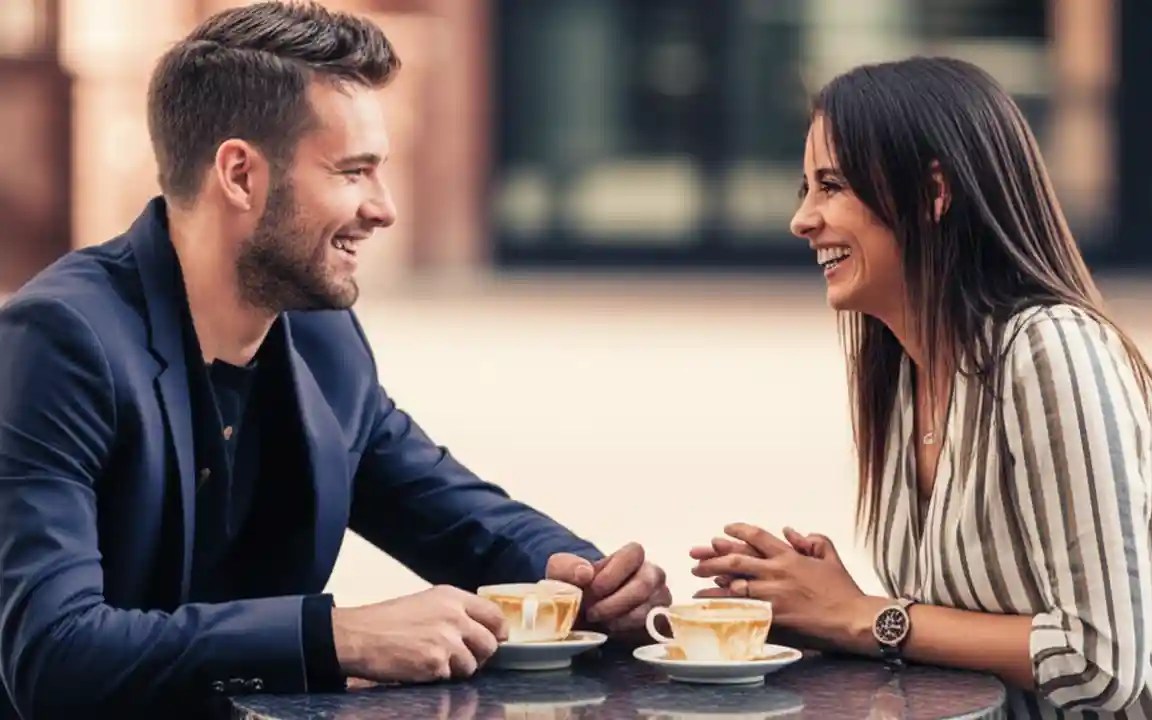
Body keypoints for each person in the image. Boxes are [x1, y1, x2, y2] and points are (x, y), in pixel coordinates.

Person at [0, 3, 669, 717]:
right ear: (240, 175)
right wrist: (335, 636)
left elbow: (452, 514)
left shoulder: (323, 339)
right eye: (354, 171)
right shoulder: (59, 342)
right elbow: (53, 656)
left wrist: (590, 584)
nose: (383, 209)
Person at [689, 57, 1152, 718]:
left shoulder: (1050, 351)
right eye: (805, 188)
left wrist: (863, 617)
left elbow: (1100, 663)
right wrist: (815, 607)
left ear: (934, 193)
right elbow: (943, 632)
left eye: (832, 186)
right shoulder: (906, 374)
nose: (803, 219)